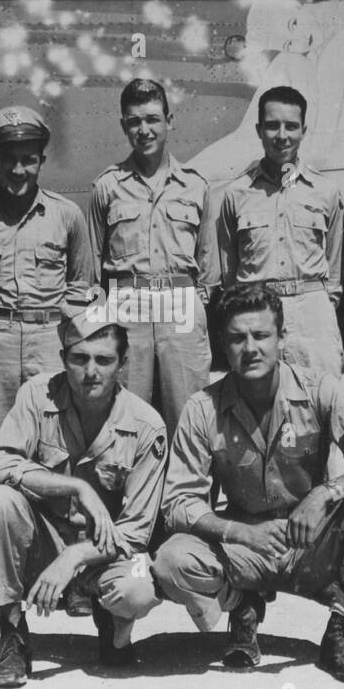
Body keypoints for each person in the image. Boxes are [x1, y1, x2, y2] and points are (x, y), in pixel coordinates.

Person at [153, 284, 344, 682]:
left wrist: (327, 492)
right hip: (244, 546)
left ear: (282, 339)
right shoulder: (203, 408)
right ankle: (242, 605)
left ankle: (342, 627)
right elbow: (179, 502)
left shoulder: (318, 388)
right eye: (237, 338)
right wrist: (238, 532)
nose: (249, 348)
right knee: (171, 561)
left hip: (312, 542)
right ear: (223, 343)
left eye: (261, 335)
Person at [0, 304, 167, 689]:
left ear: (122, 363)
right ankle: (12, 635)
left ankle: (115, 627)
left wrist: (75, 556)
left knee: (140, 587)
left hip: (101, 552)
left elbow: (137, 534)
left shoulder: (147, 426)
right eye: (79, 359)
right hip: (41, 542)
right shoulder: (36, 395)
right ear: (63, 359)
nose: (90, 371)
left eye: (103, 360)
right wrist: (76, 487)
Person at [0, 105, 94, 621]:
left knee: (57, 448)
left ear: (42, 160)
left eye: (28, 160)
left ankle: (70, 572)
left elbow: (82, 285)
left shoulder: (67, 216)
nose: (18, 171)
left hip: (49, 334)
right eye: (9, 160)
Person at [88, 78, 216, 434]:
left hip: (181, 303)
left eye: (152, 119)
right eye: (134, 121)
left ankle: (190, 491)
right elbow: (94, 269)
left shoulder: (196, 185)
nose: (144, 130)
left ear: (169, 121)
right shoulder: (107, 187)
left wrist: (192, 303)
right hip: (127, 307)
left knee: (191, 416)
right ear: (123, 126)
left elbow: (208, 265)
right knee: (126, 421)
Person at [215, 86, 344, 379]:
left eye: (291, 126)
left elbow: (334, 270)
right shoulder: (237, 194)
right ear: (259, 129)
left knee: (319, 403)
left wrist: (321, 305)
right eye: (273, 126)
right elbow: (229, 275)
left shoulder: (325, 192)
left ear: (304, 130)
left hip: (311, 315)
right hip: (257, 314)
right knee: (258, 408)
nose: (282, 135)